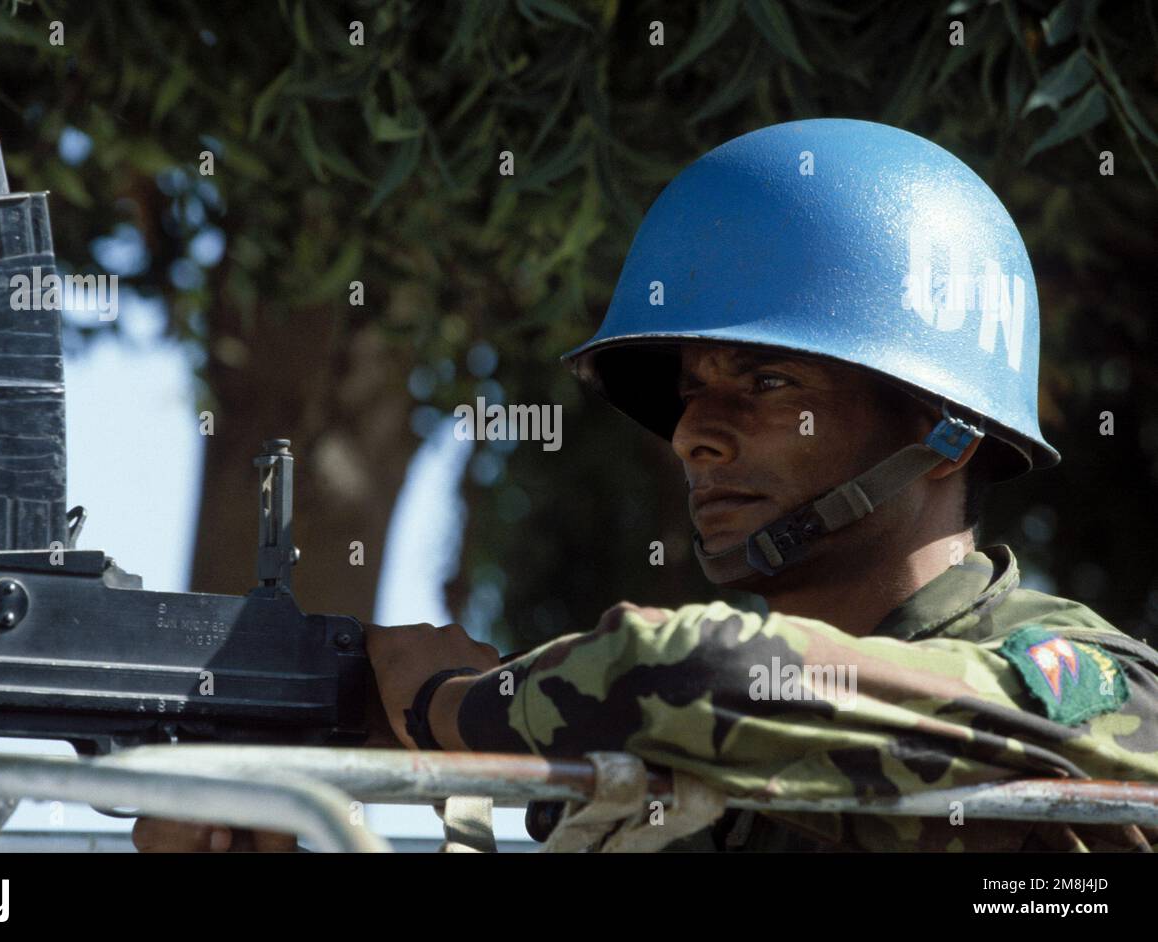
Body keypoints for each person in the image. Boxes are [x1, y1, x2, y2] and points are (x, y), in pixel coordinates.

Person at [137, 118, 1158, 852]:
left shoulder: (1093, 690)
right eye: (687, 394)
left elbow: (690, 676)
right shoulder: (689, 767)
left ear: (947, 434)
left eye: (765, 383)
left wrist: (449, 704)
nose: (694, 437)